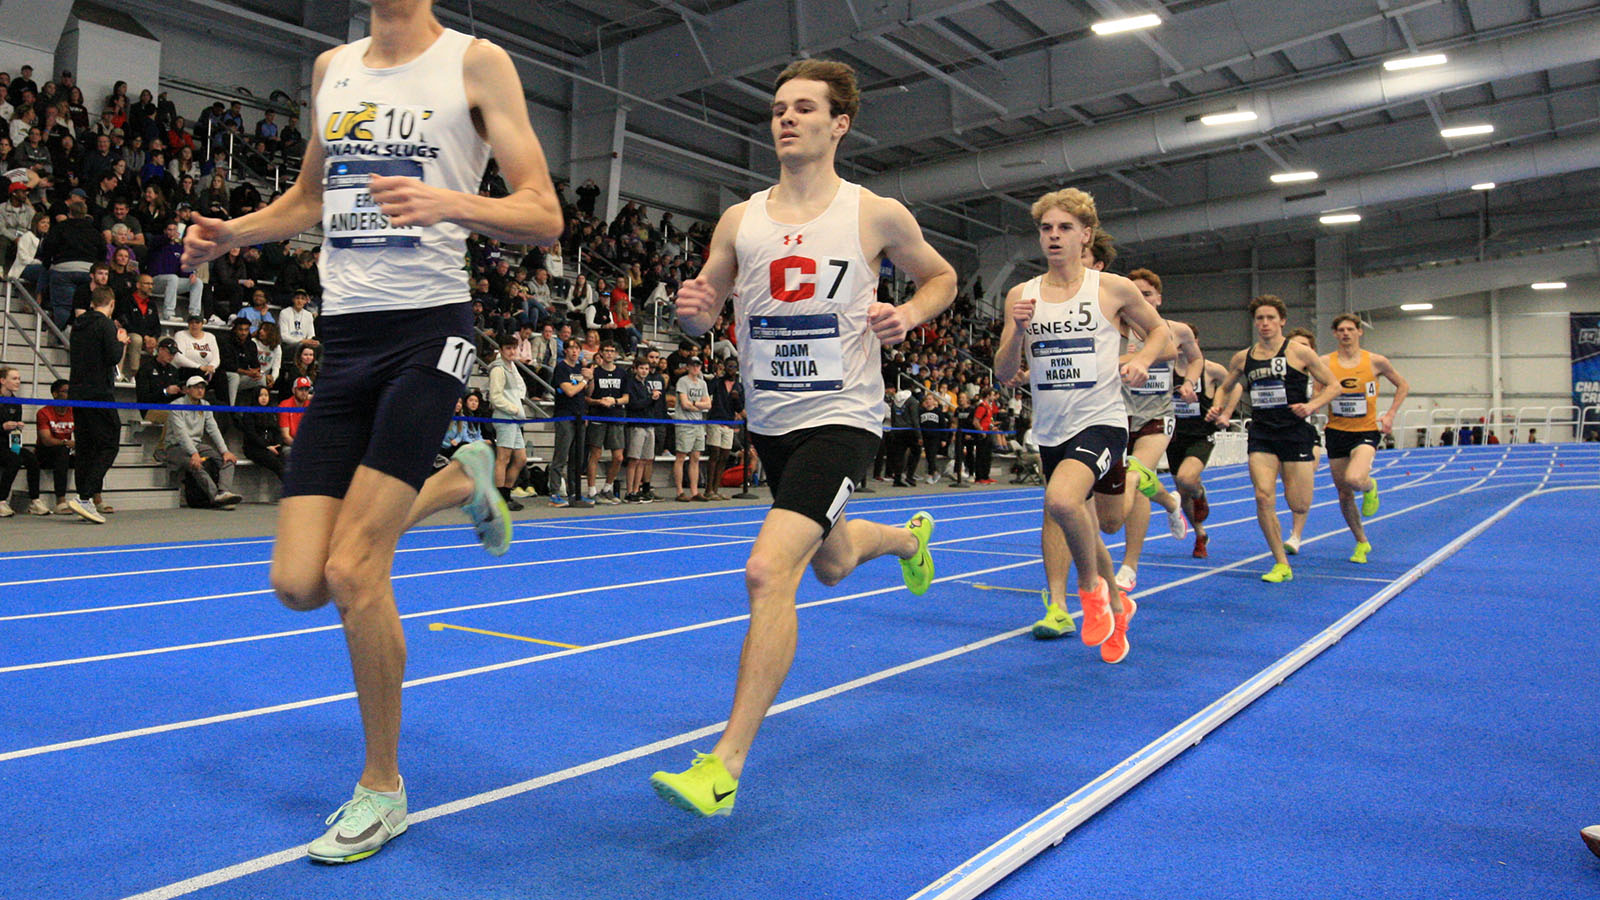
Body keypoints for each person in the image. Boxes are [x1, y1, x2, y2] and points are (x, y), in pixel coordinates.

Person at [180, 0, 563, 864]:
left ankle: (382, 788)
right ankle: (462, 480)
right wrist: (231, 233)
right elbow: (309, 201)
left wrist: (449, 202)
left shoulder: (477, 61)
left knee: (355, 569)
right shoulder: (331, 69)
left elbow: (543, 213)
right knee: (297, 583)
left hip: (432, 331)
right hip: (346, 340)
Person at [650, 58, 954, 816]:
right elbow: (703, 310)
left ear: (838, 124)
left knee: (768, 571)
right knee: (835, 559)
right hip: (770, 422)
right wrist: (693, 310)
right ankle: (911, 543)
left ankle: (724, 764)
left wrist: (907, 316)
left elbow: (941, 277)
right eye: (779, 108)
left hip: (844, 417)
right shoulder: (741, 218)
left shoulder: (872, 212)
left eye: (804, 108)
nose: (785, 118)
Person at [994, 189, 1171, 661]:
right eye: (1046, 228)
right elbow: (1003, 372)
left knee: (1061, 501)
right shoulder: (1022, 295)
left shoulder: (1111, 288)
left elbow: (1160, 332)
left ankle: (1090, 592)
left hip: (1102, 421)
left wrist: (1141, 359)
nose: (1053, 236)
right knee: (1086, 524)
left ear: (1085, 234)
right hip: (1051, 429)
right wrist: (1017, 329)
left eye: (1064, 228)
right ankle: (1118, 603)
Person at [1207, 296, 1340, 583]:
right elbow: (1225, 386)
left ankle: (1292, 533)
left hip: (1294, 432)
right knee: (1263, 495)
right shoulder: (1243, 357)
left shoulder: (1300, 353)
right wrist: (1218, 406)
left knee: (1299, 504)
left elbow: (1334, 385)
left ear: (1282, 321)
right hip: (1262, 433)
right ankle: (1280, 562)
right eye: (1259, 319)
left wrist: (1312, 406)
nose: (1264, 324)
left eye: (1270, 318)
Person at [1112, 268, 1193, 592]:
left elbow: (1187, 356)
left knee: (1135, 473)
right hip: (1119, 415)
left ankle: (1129, 565)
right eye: (1134, 294)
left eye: (1146, 294)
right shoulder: (1113, 327)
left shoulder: (1173, 330)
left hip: (1158, 415)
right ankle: (1172, 503)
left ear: (1158, 298)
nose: (1140, 299)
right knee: (1141, 481)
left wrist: (1188, 381)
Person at [1321, 314, 1409, 564]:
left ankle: (1370, 487)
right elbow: (1318, 391)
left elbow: (1402, 385)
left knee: (1355, 478)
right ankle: (1361, 542)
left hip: (1366, 431)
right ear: (1335, 334)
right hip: (1336, 432)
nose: (1346, 333)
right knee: (1344, 494)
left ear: (1359, 332)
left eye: (1350, 329)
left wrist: (1390, 414)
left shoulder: (1376, 362)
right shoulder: (1324, 362)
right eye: (1341, 330)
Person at [64, 286, 127, 523]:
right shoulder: (106, 324)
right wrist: (120, 341)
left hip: (78, 391)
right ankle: (85, 496)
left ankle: (85, 500)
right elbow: (112, 357)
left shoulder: (78, 325)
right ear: (110, 304)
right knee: (110, 442)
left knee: (86, 447)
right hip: (99, 392)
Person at [1166, 351, 1233, 558]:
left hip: (1201, 435)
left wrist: (1224, 412)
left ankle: (1199, 493)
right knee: (1182, 491)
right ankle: (1200, 534)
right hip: (1175, 437)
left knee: (1187, 479)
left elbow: (1235, 386)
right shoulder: (1167, 370)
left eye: (1187, 343)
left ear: (1195, 344)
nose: (1182, 349)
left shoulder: (1211, 369)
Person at [164, 375, 242, 508]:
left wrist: (225, 451)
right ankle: (216, 497)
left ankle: (224, 491)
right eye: (196, 387)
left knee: (228, 460)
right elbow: (181, 434)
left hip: (197, 445)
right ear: (187, 390)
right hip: (175, 447)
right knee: (195, 464)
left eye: (202, 387)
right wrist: (194, 453)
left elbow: (213, 429)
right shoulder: (176, 405)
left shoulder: (205, 405)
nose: (200, 390)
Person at [0, 365, 50, 517]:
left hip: (7, 443)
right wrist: (2, 427)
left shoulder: (16, 402)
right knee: (14, 460)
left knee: (32, 459)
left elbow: (14, 430)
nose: (18, 382)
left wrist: (17, 428)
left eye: (19, 379)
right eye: (14, 379)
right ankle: (1, 500)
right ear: (2, 380)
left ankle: (34, 500)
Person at [547, 339, 592, 508]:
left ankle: (575, 493)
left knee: (577, 458)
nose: (575, 351)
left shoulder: (581, 368)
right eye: (572, 348)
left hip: (580, 415)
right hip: (565, 415)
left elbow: (588, 392)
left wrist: (591, 379)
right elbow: (570, 391)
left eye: (577, 348)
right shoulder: (562, 368)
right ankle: (554, 493)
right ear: (565, 350)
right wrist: (585, 381)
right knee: (561, 455)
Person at [486, 334, 528, 510]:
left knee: (520, 459)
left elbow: (520, 387)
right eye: (508, 348)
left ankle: (506, 493)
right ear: (501, 350)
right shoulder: (498, 369)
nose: (512, 351)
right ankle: (498, 499)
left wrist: (518, 405)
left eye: (514, 348)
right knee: (503, 458)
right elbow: (495, 397)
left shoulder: (511, 367)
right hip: (505, 417)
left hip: (514, 419)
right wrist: (514, 408)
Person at [584, 340, 627, 504]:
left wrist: (614, 401)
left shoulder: (622, 373)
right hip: (598, 416)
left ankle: (607, 488)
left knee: (618, 457)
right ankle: (591, 490)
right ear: (601, 353)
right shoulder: (595, 372)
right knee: (595, 454)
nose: (609, 353)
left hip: (616, 415)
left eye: (612, 351)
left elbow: (627, 397)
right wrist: (598, 401)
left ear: (616, 354)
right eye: (606, 351)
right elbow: (587, 396)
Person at [671, 355, 711, 501]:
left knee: (695, 457)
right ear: (687, 366)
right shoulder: (683, 381)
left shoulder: (702, 383)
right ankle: (680, 491)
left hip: (698, 424)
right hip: (684, 423)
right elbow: (684, 404)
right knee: (681, 456)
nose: (696, 367)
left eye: (698, 365)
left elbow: (708, 404)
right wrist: (699, 404)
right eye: (693, 365)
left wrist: (694, 404)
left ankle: (694, 491)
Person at [34, 378, 76, 513]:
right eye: (65, 392)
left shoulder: (73, 411)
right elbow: (46, 440)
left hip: (65, 451)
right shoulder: (44, 412)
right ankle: (61, 501)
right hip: (45, 453)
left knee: (88, 455)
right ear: (55, 394)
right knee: (62, 451)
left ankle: (92, 498)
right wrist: (66, 442)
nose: (69, 395)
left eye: (71, 392)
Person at [705, 357, 744, 499]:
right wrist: (717, 375)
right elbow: (708, 390)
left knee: (724, 456)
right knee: (714, 453)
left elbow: (740, 407)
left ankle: (715, 489)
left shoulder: (738, 386)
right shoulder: (718, 381)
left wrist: (736, 399)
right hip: (715, 419)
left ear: (737, 369)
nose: (731, 369)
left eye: (733, 366)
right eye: (728, 366)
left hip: (729, 422)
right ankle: (708, 489)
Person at [623, 355, 659, 502]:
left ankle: (637, 490)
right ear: (635, 369)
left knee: (645, 460)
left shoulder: (647, 384)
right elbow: (634, 404)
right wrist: (651, 398)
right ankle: (630, 491)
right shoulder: (631, 384)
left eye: (646, 369)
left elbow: (650, 404)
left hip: (648, 423)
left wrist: (653, 399)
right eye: (642, 368)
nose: (644, 371)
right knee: (634, 459)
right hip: (636, 425)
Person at [242, 386, 286, 479]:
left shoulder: (271, 412)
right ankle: (292, 489)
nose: (264, 398)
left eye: (266, 395)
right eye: (261, 395)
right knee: (276, 463)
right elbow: (251, 434)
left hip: (271, 446)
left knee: (285, 459)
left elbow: (277, 431)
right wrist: (266, 446)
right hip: (254, 447)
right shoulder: (249, 412)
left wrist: (278, 445)